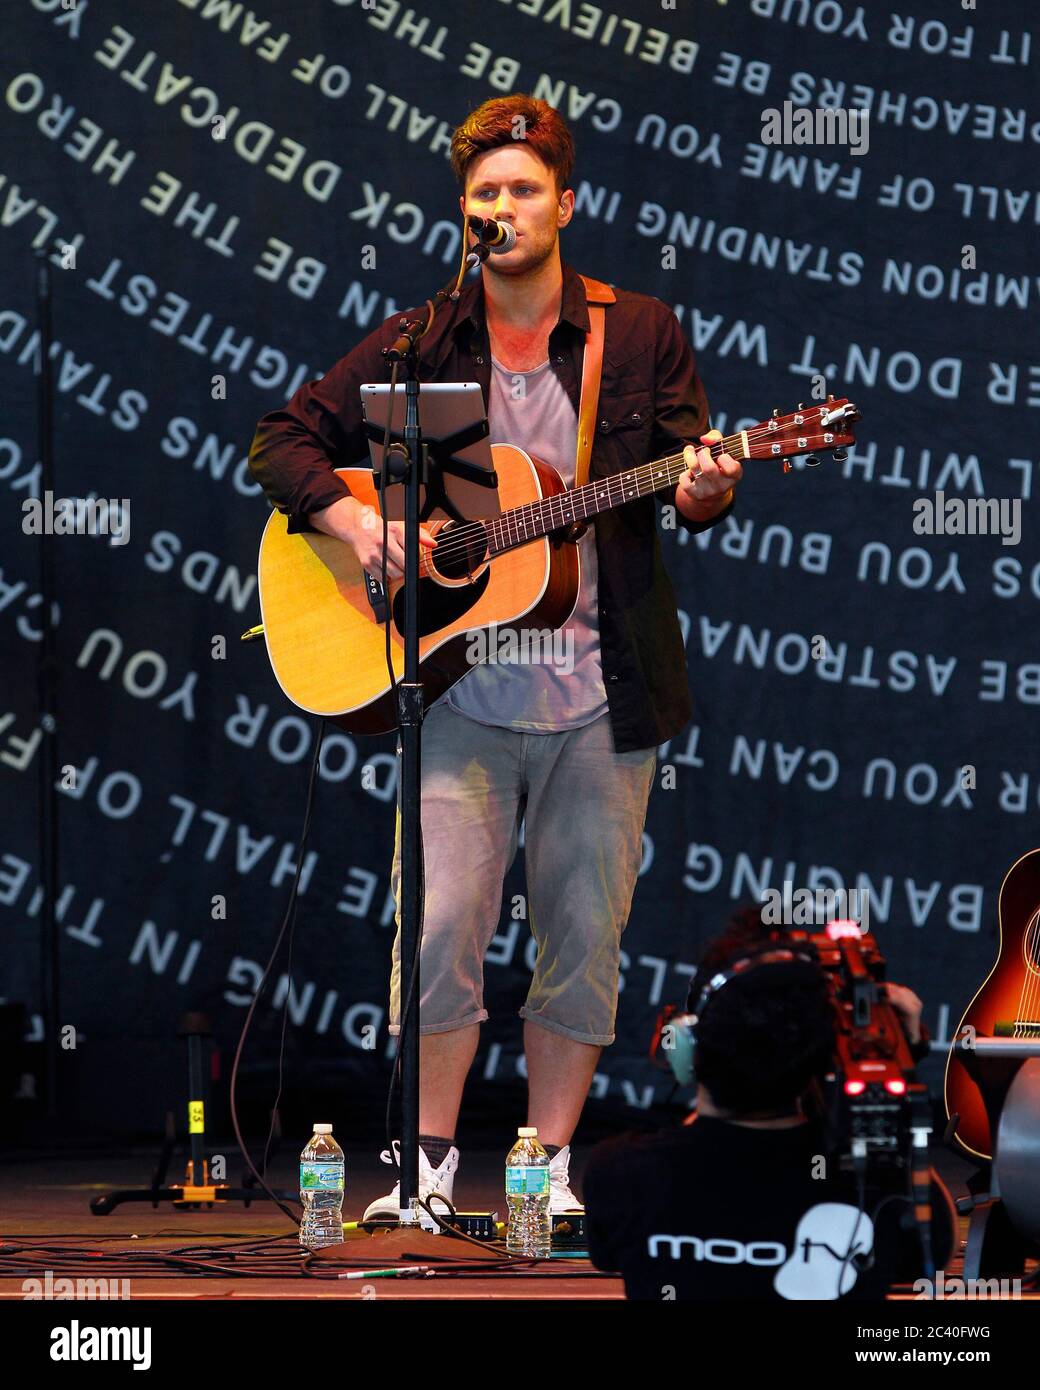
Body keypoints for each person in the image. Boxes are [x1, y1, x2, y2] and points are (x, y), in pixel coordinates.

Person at [248, 94, 742, 1219]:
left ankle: (547, 1171)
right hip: (456, 688)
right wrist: (363, 526)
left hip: (599, 696)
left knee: (581, 936)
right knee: (437, 931)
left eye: (523, 189)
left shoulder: (642, 330)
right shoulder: (422, 335)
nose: (502, 207)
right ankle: (420, 1177)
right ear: (462, 213)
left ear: (565, 204)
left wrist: (711, 484)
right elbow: (279, 440)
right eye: (483, 193)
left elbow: (691, 475)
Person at [583, 908, 948, 1299]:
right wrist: (894, 1063)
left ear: (687, 1045)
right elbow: (930, 1250)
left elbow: (610, 1255)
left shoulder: (621, 1175)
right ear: (824, 1056)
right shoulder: (878, 1189)